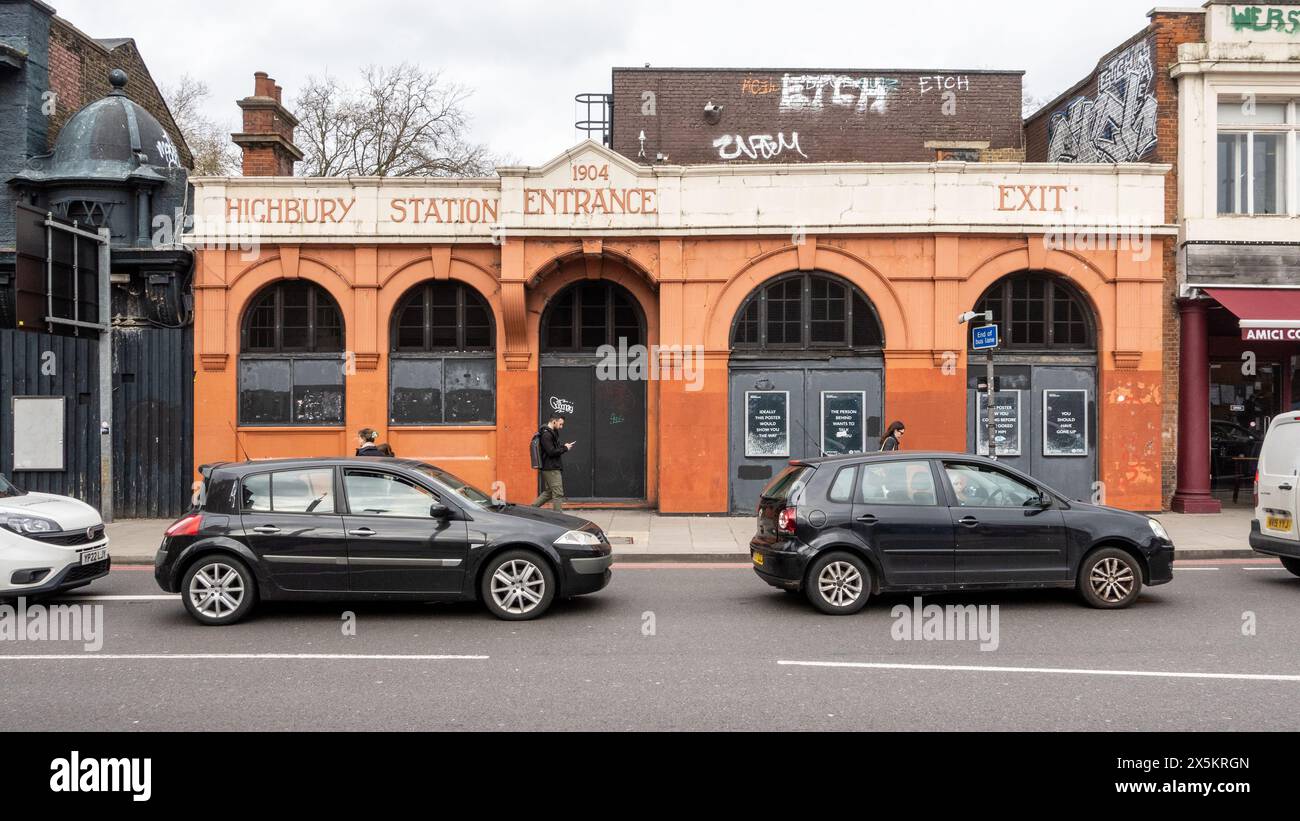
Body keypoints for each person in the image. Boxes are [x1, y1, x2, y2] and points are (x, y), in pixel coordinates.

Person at [532, 415, 574, 511]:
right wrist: (565, 448)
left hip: (550, 467)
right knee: (558, 493)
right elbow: (551, 452)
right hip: (551, 468)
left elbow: (554, 449)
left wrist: (564, 446)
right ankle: (558, 518)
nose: (561, 427)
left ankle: (531, 509)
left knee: (549, 492)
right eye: (560, 424)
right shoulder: (546, 435)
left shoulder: (551, 433)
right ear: (554, 421)